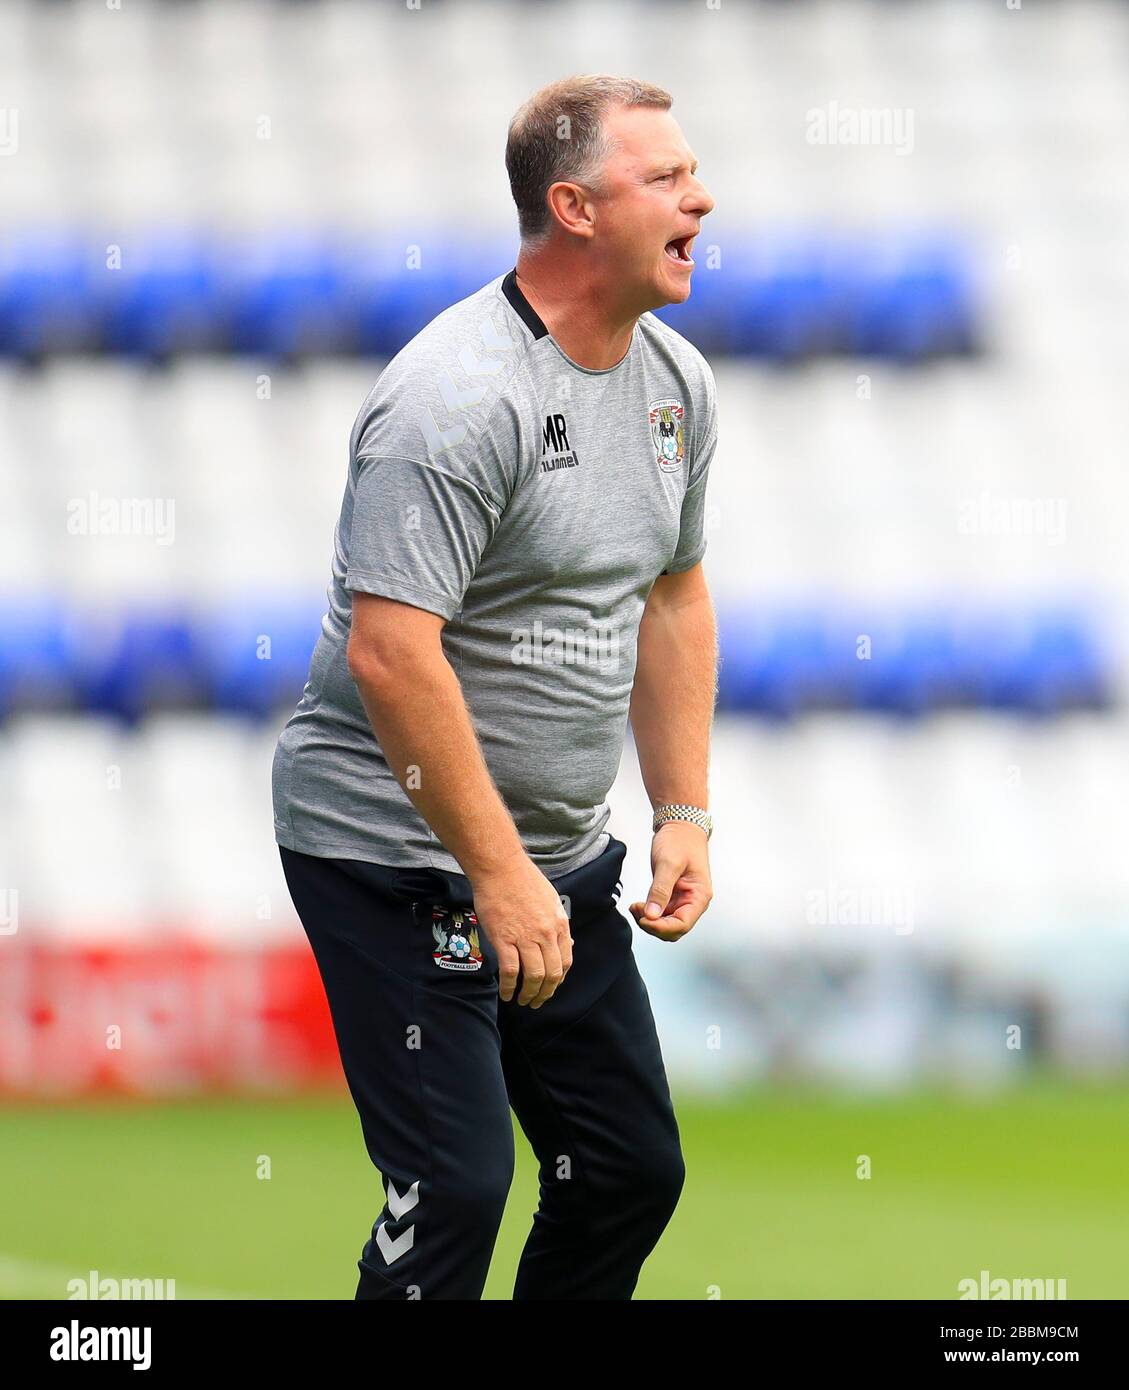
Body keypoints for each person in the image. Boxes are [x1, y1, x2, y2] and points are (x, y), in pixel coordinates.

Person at [272, 73, 719, 1300]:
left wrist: (681, 808)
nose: (703, 197)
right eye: (668, 179)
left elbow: (674, 592)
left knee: (625, 1170)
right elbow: (388, 653)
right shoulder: (453, 398)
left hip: (555, 863)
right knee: (458, 1188)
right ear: (573, 208)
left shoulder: (676, 384)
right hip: (398, 859)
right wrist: (495, 868)